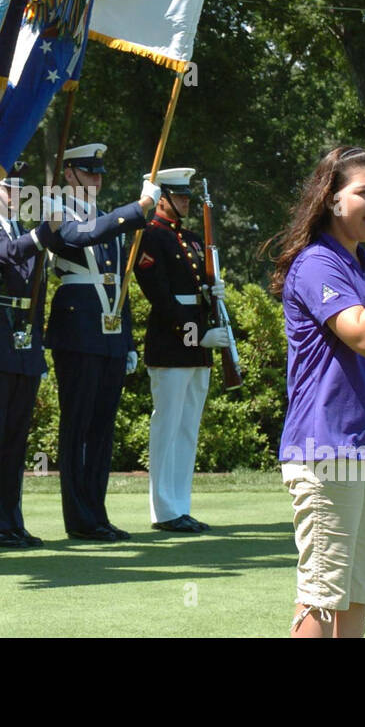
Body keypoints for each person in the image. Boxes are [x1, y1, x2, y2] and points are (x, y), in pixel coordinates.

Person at [267, 145, 365, 638]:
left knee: (356, 595)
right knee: (321, 596)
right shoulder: (317, 263)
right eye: (364, 193)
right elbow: (364, 336)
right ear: (332, 200)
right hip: (326, 449)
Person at [45, 142, 160, 541]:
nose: (96, 179)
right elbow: (81, 237)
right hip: (78, 329)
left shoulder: (106, 216)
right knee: (77, 425)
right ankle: (78, 518)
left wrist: (127, 341)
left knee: (101, 429)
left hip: (109, 331)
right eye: (88, 172)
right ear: (70, 174)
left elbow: (121, 283)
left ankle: (97, 513)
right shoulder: (56, 210)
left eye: (99, 174)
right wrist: (139, 208)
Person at [0, 163, 59, 548]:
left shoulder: (23, 231)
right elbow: (7, 254)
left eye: (20, 190)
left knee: (17, 435)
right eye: (8, 189)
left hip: (24, 336)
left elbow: (37, 284)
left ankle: (13, 519)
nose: (16, 196)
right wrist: (43, 234)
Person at [132, 167, 230, 531]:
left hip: (197, 345)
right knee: (168, 428)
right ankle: (164, 511)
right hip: (173, 343)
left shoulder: (190, 239)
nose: (186, 201)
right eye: (179, 196)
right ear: (163, 199)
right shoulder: (150, 237)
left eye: (187, 196)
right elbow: (160, 297)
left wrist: (211, 291)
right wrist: (196, 335)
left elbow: (194, 289)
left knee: (187, 429)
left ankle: (180, 506)